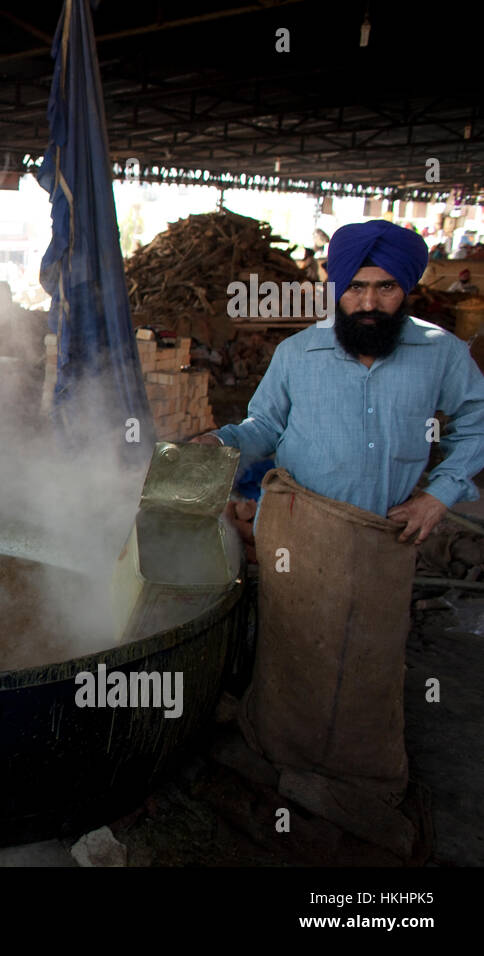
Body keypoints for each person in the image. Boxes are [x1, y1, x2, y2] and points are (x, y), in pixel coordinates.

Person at [191, 219, 484, 856]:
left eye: (384, 289)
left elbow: (475, 422)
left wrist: (440, 493)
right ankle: (281, 744)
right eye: (355, 288)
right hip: (299, 530)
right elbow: (264, 425)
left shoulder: (441, 354)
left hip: (385, 539)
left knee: (369, 660)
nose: (369, 303)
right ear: (336, 288)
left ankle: (361, 770)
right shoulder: (299, 354)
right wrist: (222, 442)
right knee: (292, 643)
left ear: (407, 288)